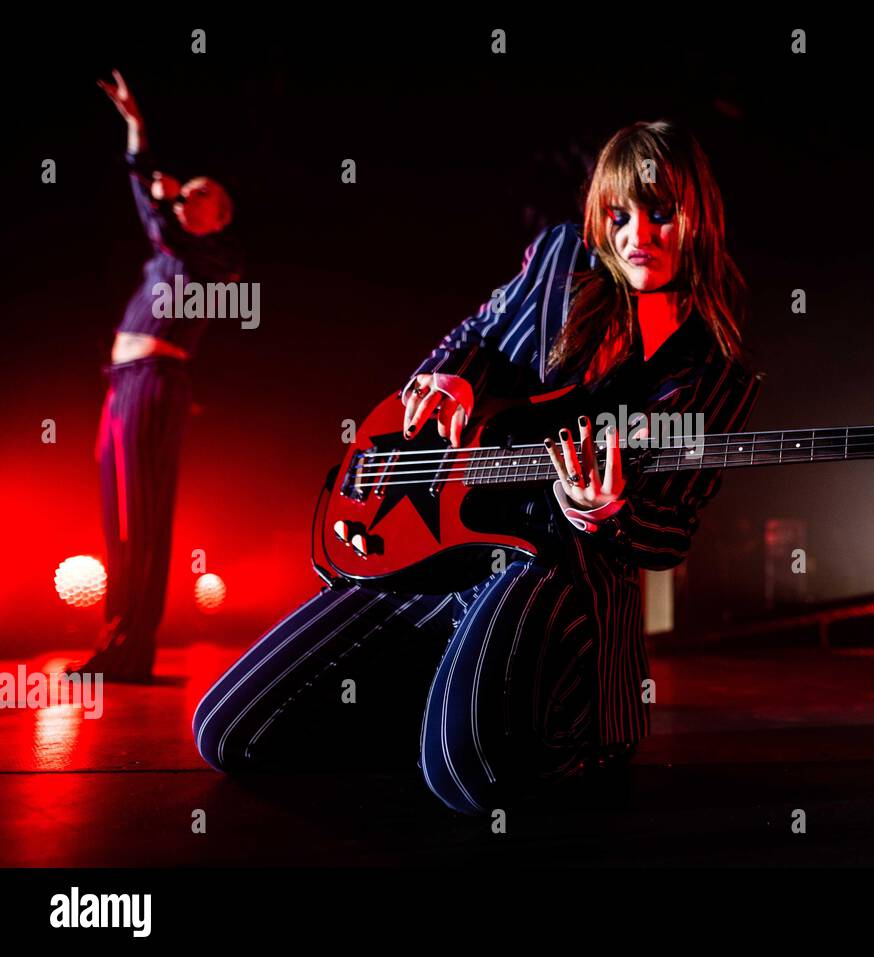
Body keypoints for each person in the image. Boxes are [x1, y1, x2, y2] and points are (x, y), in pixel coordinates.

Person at [192, 120, 761, 815]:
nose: (636, 232)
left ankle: (563, 733)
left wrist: (608, 510)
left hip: (555, 571)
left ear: (698, 214)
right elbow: (474, 336)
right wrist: (451, 380)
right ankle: (438, 704)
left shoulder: (717, 373)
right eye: (619, 214)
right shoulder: (559, 259)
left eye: (661, 212)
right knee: (228, 730)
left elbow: (670, 532)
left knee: (468, 779)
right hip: (442, 543)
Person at [71, 70, 243, 682]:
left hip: (154, 385)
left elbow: (160, 219)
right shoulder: (170, 253)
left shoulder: (212, 259)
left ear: (218, 218)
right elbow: (155, 217)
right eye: (187, 192)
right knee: (116, 514)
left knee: (139, 515)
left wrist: (149, 161)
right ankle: (116, 644)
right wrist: (140, 142)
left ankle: (129, 647)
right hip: (124, 383)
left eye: (199, 195)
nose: (185, 198)